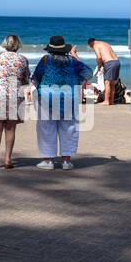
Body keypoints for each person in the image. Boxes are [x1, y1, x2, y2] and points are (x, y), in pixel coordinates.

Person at [32, 37, 94, 169]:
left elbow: (36, 77)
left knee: (46, 128)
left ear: (50, 48)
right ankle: (66, 160)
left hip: (47, 98)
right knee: (69, 128)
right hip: (69, 97)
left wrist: (39, 88)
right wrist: (77, 81)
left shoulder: (45, 59)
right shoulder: (72, 61)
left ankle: (48, 161)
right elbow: (88, 72)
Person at [0, 35, 30, 169]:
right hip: (15, 93)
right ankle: (8, 159)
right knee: (10, 128)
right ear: (18, 45)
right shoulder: (23, 59)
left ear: (5, 44)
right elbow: (26, 80)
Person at [87, 38, 119, 105]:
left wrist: (99, 66)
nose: (92, 48)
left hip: (109, 63)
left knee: (107, 82)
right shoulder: (105, 44)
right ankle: (111, 101)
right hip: (116, 62)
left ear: (91, 43)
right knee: (112, 83)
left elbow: (99, 57)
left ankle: (106, 101)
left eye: (91, 47)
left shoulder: (95, 45)